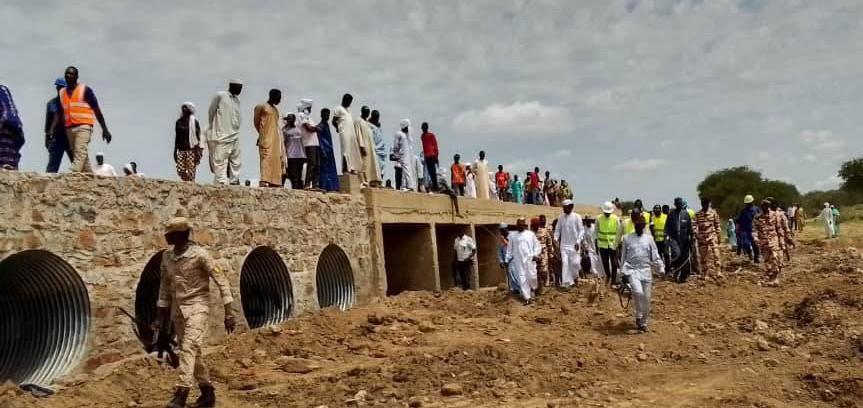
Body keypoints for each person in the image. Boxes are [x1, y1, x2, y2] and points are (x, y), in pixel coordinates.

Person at [155, 217, 236, 408]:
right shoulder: (167, 257)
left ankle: (181, 392)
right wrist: (159, 318)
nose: (166, 236)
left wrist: (229, 313)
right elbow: (164, 288)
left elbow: (222, 281)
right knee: (193, 352)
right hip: (178, 310)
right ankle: (207, 392)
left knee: (188, 347)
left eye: (169, 233)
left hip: (198, 307)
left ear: (180, 235)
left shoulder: (200, 255)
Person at [51, 66, 113, 173]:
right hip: (69, 128)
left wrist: (105, 129)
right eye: (66, 74)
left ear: (76, 76)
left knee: (80, 151)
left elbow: (97, 110)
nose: (68, 76)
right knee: (80, 155)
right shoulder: (62, 93)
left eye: (71, 74)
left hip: (84, 126)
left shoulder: (85, 90)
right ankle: (90, 176)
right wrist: (53, 129)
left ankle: (72, 172)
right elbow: (59, 112)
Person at [619, 213, 664, 332]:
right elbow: (623, 257)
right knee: (638, 292)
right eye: (637, 225)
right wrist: (622, 273)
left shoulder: (649, 239)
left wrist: (661, 268)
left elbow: (655, 255)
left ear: (644, 226)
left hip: (646, 271)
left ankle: (643, 322)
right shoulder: (627, 238)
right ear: (635, 225)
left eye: (641, 225)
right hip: (632, 270)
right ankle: (638, 314)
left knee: (647, 298)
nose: (639, 227)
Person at [206, 80, 242, 185]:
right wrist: (214, 127)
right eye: (239, 87)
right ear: (232, 86)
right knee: (220, 159)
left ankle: (234, 180)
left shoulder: (237, 100)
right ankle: (220, 180)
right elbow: (211, 112)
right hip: (223, 134)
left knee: (236, 159)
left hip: (234, 133)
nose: (240, 90)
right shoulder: (220, 96)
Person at [506, 217, 541, 304]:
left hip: (530, 260)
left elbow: (537, 246)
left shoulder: (530, 234)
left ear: (525, 225)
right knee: (522, 278)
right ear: (517, 225)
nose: (520, 226)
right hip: (519, 261)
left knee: (532, 277)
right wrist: (507, 259)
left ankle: (533, 289)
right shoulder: (513, 236)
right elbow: (509, 249)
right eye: (519, 225)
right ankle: (527, 298)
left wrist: (535, 255)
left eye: (522, 224)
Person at [553, 199, 585, 288]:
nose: (563, 209)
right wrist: (555, 238)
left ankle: (575, 277)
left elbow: (581, 230)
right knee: (565, 264)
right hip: (564, 245)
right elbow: (558, 230)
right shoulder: (560, 217)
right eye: (563, 207)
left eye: (565, 207)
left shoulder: (577, 217)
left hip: (574, 245)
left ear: (571, 207)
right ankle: (567, 283)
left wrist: (578, 241)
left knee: (575, 263)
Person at [45, 78, 73, 172]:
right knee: (52, 167)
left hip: (70, 137)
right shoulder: (51, 104)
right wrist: (47, 138)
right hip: (57, 138)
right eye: (58, 87)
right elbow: (48, 123)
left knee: (78, 165)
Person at [665, 197, 695, 282]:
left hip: (684, 239)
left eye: (680, 204)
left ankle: (682, 276)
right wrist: (667, 236)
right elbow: (667, 227)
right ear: (675, 204)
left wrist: (691, 237)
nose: (679, 205)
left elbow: (690, 227)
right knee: (677, 254)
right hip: (674, 238)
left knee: (684, 257)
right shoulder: (671, 214)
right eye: (677, 204)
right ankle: (673, 269)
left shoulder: (686, 214)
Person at [333, 94, 362, 176]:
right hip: (344, 132)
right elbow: (333, 121)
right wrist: (338, 128)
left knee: (352, 149)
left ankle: (352, 167)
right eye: (348, 101)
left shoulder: (348, 109)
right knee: (345, 150)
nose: (349, 103)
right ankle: (345, 169)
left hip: (351, 132)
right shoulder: (338, 109)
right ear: (344, 100)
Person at [755, 200, 783, 286]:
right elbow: (754, 229)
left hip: (773, 240)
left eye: (767, 205)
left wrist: (781, 241)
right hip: (763, 241)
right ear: (761, 206)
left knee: (774, 257)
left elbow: (779, 228)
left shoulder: (774, 215)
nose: (765, 207)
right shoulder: (757, 217)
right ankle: (770, 275)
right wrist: (756, 239)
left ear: (769, 206)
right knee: (766, 260)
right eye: (764, 205)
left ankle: (775, 277)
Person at [174, 102, 203, 182]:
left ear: (190, 110)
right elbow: (177, 137)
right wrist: (175, 151)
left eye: (185, 107)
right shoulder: (178, 122)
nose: (184, 109)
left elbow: (198, 138)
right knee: (180, 170)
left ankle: (190, 185)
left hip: (191, 150)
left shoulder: (195, 123)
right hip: (181, 150)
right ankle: (187, 181)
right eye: (183, 108)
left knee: (191, 171)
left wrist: (198, 151)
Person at [695, 197, 723, 280]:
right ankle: (705, 273)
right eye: (703, 204)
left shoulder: (713, 213)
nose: (704, 205)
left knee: (716, 254)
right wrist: (696, 234)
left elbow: (717, 224)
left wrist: (719, 236)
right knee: (703, 257)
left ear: (708, 204)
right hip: (702, 238)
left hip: (712, 236)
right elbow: (694, 225)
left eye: (706, 204)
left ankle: (718, 271)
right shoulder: (698, 214)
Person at [297, 99, 322, 189]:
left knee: (317, 165)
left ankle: (315, 184)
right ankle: (307, 184)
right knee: (312, 163)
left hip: (315, 143)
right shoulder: (301, 116)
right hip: (309, 143)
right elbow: (309, 128)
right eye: (309, 108)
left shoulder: (309, 117)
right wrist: (317, 128)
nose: (310, 110)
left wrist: (316, 128)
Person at [355, 106, 382, 186]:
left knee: (370, 164)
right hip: (363, 146)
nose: (367, 114)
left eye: (368, 113)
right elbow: (358, 134)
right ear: (362, 112)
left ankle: (370, 180)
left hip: (370, 146)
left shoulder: (366, 122)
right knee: (364, 164)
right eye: (366, 112)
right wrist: (362, 146)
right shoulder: (358, 121)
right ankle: (363, 181)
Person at [596, 201, 621, 285]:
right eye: (606, 212)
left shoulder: (615, 218)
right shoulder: (599, 218)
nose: (607, 214)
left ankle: (613, 281)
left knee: (614, 263)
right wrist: (596, 244)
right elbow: (596, 232)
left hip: (613, 244)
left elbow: (619, 232)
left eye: (608, 212)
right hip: (602, 245)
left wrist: (619, 244)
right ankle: (608, 275)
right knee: (605, 263)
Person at [0, 83, 24, 170]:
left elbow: (5, 111)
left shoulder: (2, 91)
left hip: (7, 128)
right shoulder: (4, 90)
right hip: (12, 128)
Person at [317, 108, 340, 192]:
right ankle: (325, 186)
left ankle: (332, 186)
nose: (327, 116)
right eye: (325, 115)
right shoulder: (321, 126)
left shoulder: (326, 125)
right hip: (324, 150)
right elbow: (319, 139)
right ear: (321, 115)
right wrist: (322, 150)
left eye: (328, 115)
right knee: (324, 169)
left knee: (331, 168)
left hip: (329, 150)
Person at [282, 113, 305, 189]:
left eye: (291, 119)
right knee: (293, 174)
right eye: (289, 119)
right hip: (291, 155)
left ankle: (299, 188)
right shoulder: (284, 131)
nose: (290, 120)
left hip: (300, 155)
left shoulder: (299, 129)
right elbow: (283, 143)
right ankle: (295, 188)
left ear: (294, 120)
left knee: (299, 174)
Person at [534, 215, 555, 292]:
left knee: (544, 269)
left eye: (544, 220)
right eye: (542, 220)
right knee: (537, 270)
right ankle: (540, 285)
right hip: (536, 253)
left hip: (544, 252)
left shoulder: (546, 231)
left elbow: (549, 242)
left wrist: (551, 253)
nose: (543, 221)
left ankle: (546, 282)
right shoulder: (534, 231)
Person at [737, 195, 760, 263]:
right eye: (747, 203)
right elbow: (739, 220)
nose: (748, 204)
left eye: (749, 203)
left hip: (754, 230)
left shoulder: (756, 209)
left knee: (755, 244)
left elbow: (761, 219)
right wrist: (738, 228)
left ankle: (756, 257)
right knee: (745, 243)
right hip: (745, 230)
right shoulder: (743, 211)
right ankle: (749, 253)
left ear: (752, 202)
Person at [497, 223, 518, 295]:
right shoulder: (502, 238)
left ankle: (518, 289)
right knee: (510, 276)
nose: (501, 232)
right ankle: (513, 289)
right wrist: (501, 261)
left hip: (514, 260)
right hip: (507, 262)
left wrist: (504, 241)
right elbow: (500, 251)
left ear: (506, 229)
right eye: (501, 231)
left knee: (515, 275)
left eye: (503, 230)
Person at [420, 122, 439, 191]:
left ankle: (435, 186)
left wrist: (436, 156)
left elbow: (435, 145)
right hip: (427, 156)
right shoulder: (422, 136)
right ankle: (431, 186)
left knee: (432, 172)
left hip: (432, 155)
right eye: (423, 128)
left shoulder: (431, 135)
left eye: (424, 127)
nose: (423, 129)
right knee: (429, 172)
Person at [651, 205, 670, 271]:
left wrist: (667, 237)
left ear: (660, 211)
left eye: (657, 211)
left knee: (666, 255)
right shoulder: (652, 218)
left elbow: (669, 227)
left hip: (665, 240)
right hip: (656, 240)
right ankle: (661, 269)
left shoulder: (665, 217)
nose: (656, 213)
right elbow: (651, 228)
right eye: (655, 211)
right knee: (658, 256)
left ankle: (667, 269)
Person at [369, 110, 387, 180]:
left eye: (378, 116)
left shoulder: (378, 125)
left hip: (381, 149)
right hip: (375, 148)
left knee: (382, 167)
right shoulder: (369, 125)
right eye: (376, 116)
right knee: (376, 166)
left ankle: (380, 180)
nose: (377, 118)